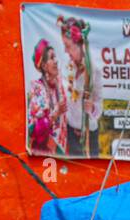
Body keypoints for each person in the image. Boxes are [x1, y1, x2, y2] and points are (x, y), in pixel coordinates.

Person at [59, 16, 101, 157]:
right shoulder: (66, 66)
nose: (65, 51)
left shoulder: (94, 70)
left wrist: (93, 108)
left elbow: (100, 105)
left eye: (68, 46)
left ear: (80, 45)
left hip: (89, 135)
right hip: (71, 133)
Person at [27, 39, 68, 156]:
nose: (56, 61)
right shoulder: (38, 88)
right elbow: (35, 130)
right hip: (43, 154)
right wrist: (55, 114)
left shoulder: (59, 87)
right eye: (52, 58)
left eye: (55, 58)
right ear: (44, 66)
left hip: (62, 152)